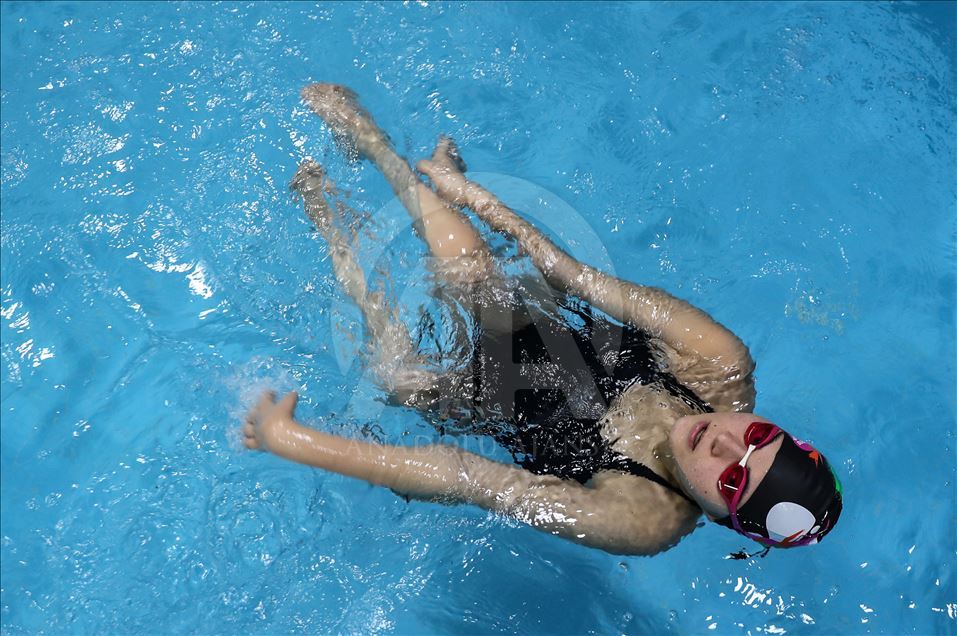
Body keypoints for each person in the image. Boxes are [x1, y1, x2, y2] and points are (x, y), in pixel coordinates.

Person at [242, 84, 843, 556]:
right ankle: (373, 142)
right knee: (481, 283)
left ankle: (326, 214)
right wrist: (468, 195)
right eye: (759, 438)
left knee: (396, 377)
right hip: (549, 321)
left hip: (491, 400)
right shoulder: (718, 363)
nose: (723, 443)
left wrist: (292, 441)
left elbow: (470, 479)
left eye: (732, 482)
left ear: (720, 516)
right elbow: (571, 275)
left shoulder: (644, 518)